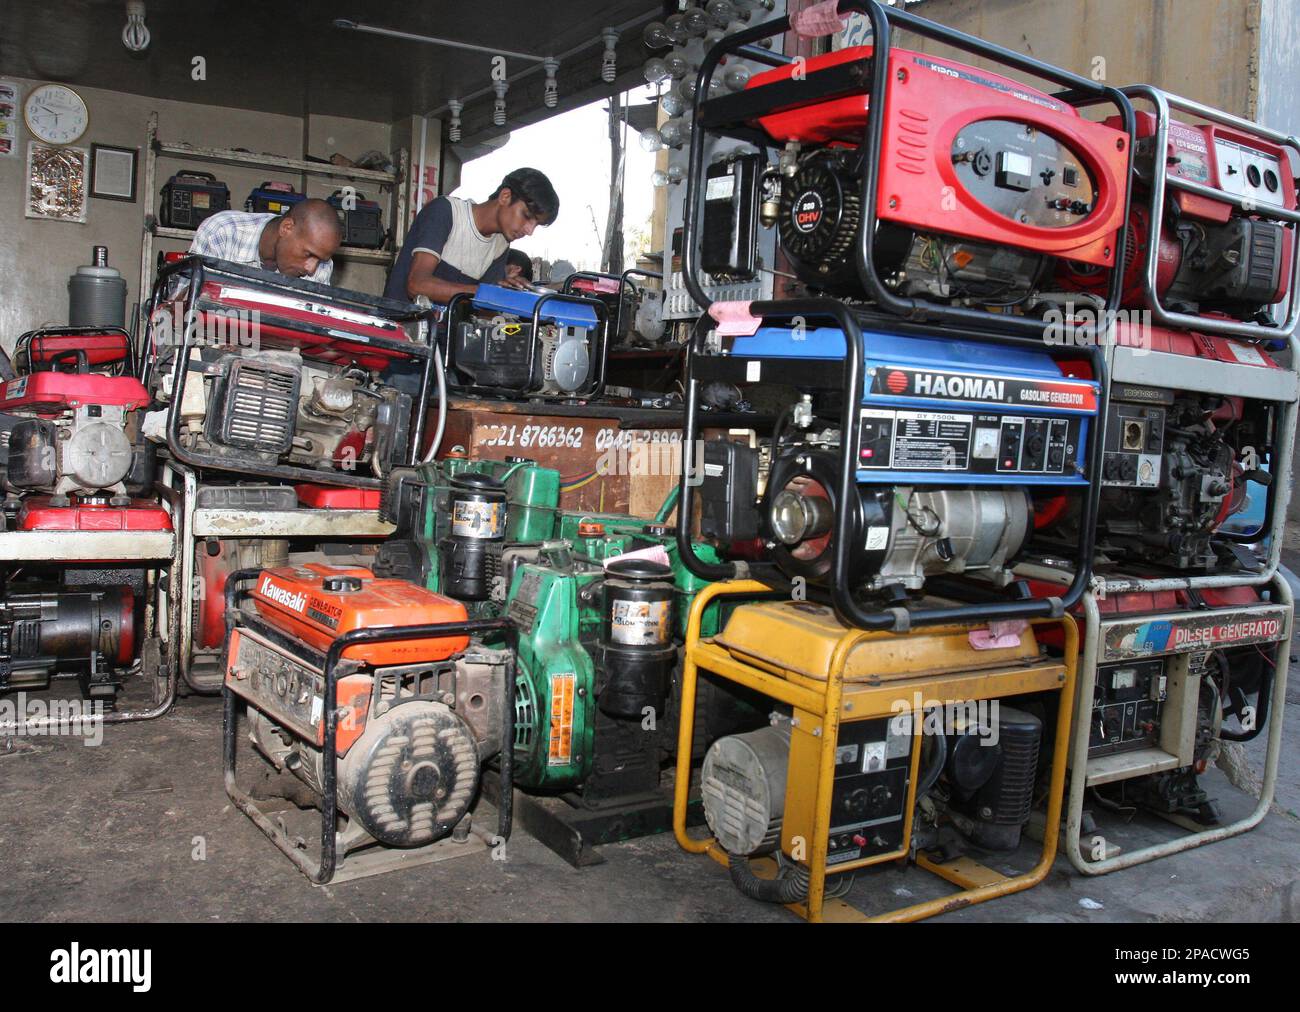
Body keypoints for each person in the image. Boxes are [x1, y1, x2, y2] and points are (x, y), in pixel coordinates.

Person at [383, 167, 558, 303]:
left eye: (536, 225)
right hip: (399, 334)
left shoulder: (500, 244)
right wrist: (488, 293)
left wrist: (510, 293)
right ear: (505, 196)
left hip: (439, 340)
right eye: (527, 216)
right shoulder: (446, 212)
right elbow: (417, 285)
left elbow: (484, 309)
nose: (529, 230)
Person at [188, 199, 342, 282]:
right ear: (286, 228)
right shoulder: (223, 231)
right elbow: (184, 306)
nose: (311, 269)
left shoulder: (323, 266)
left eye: (319, 260)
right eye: (308, 254)